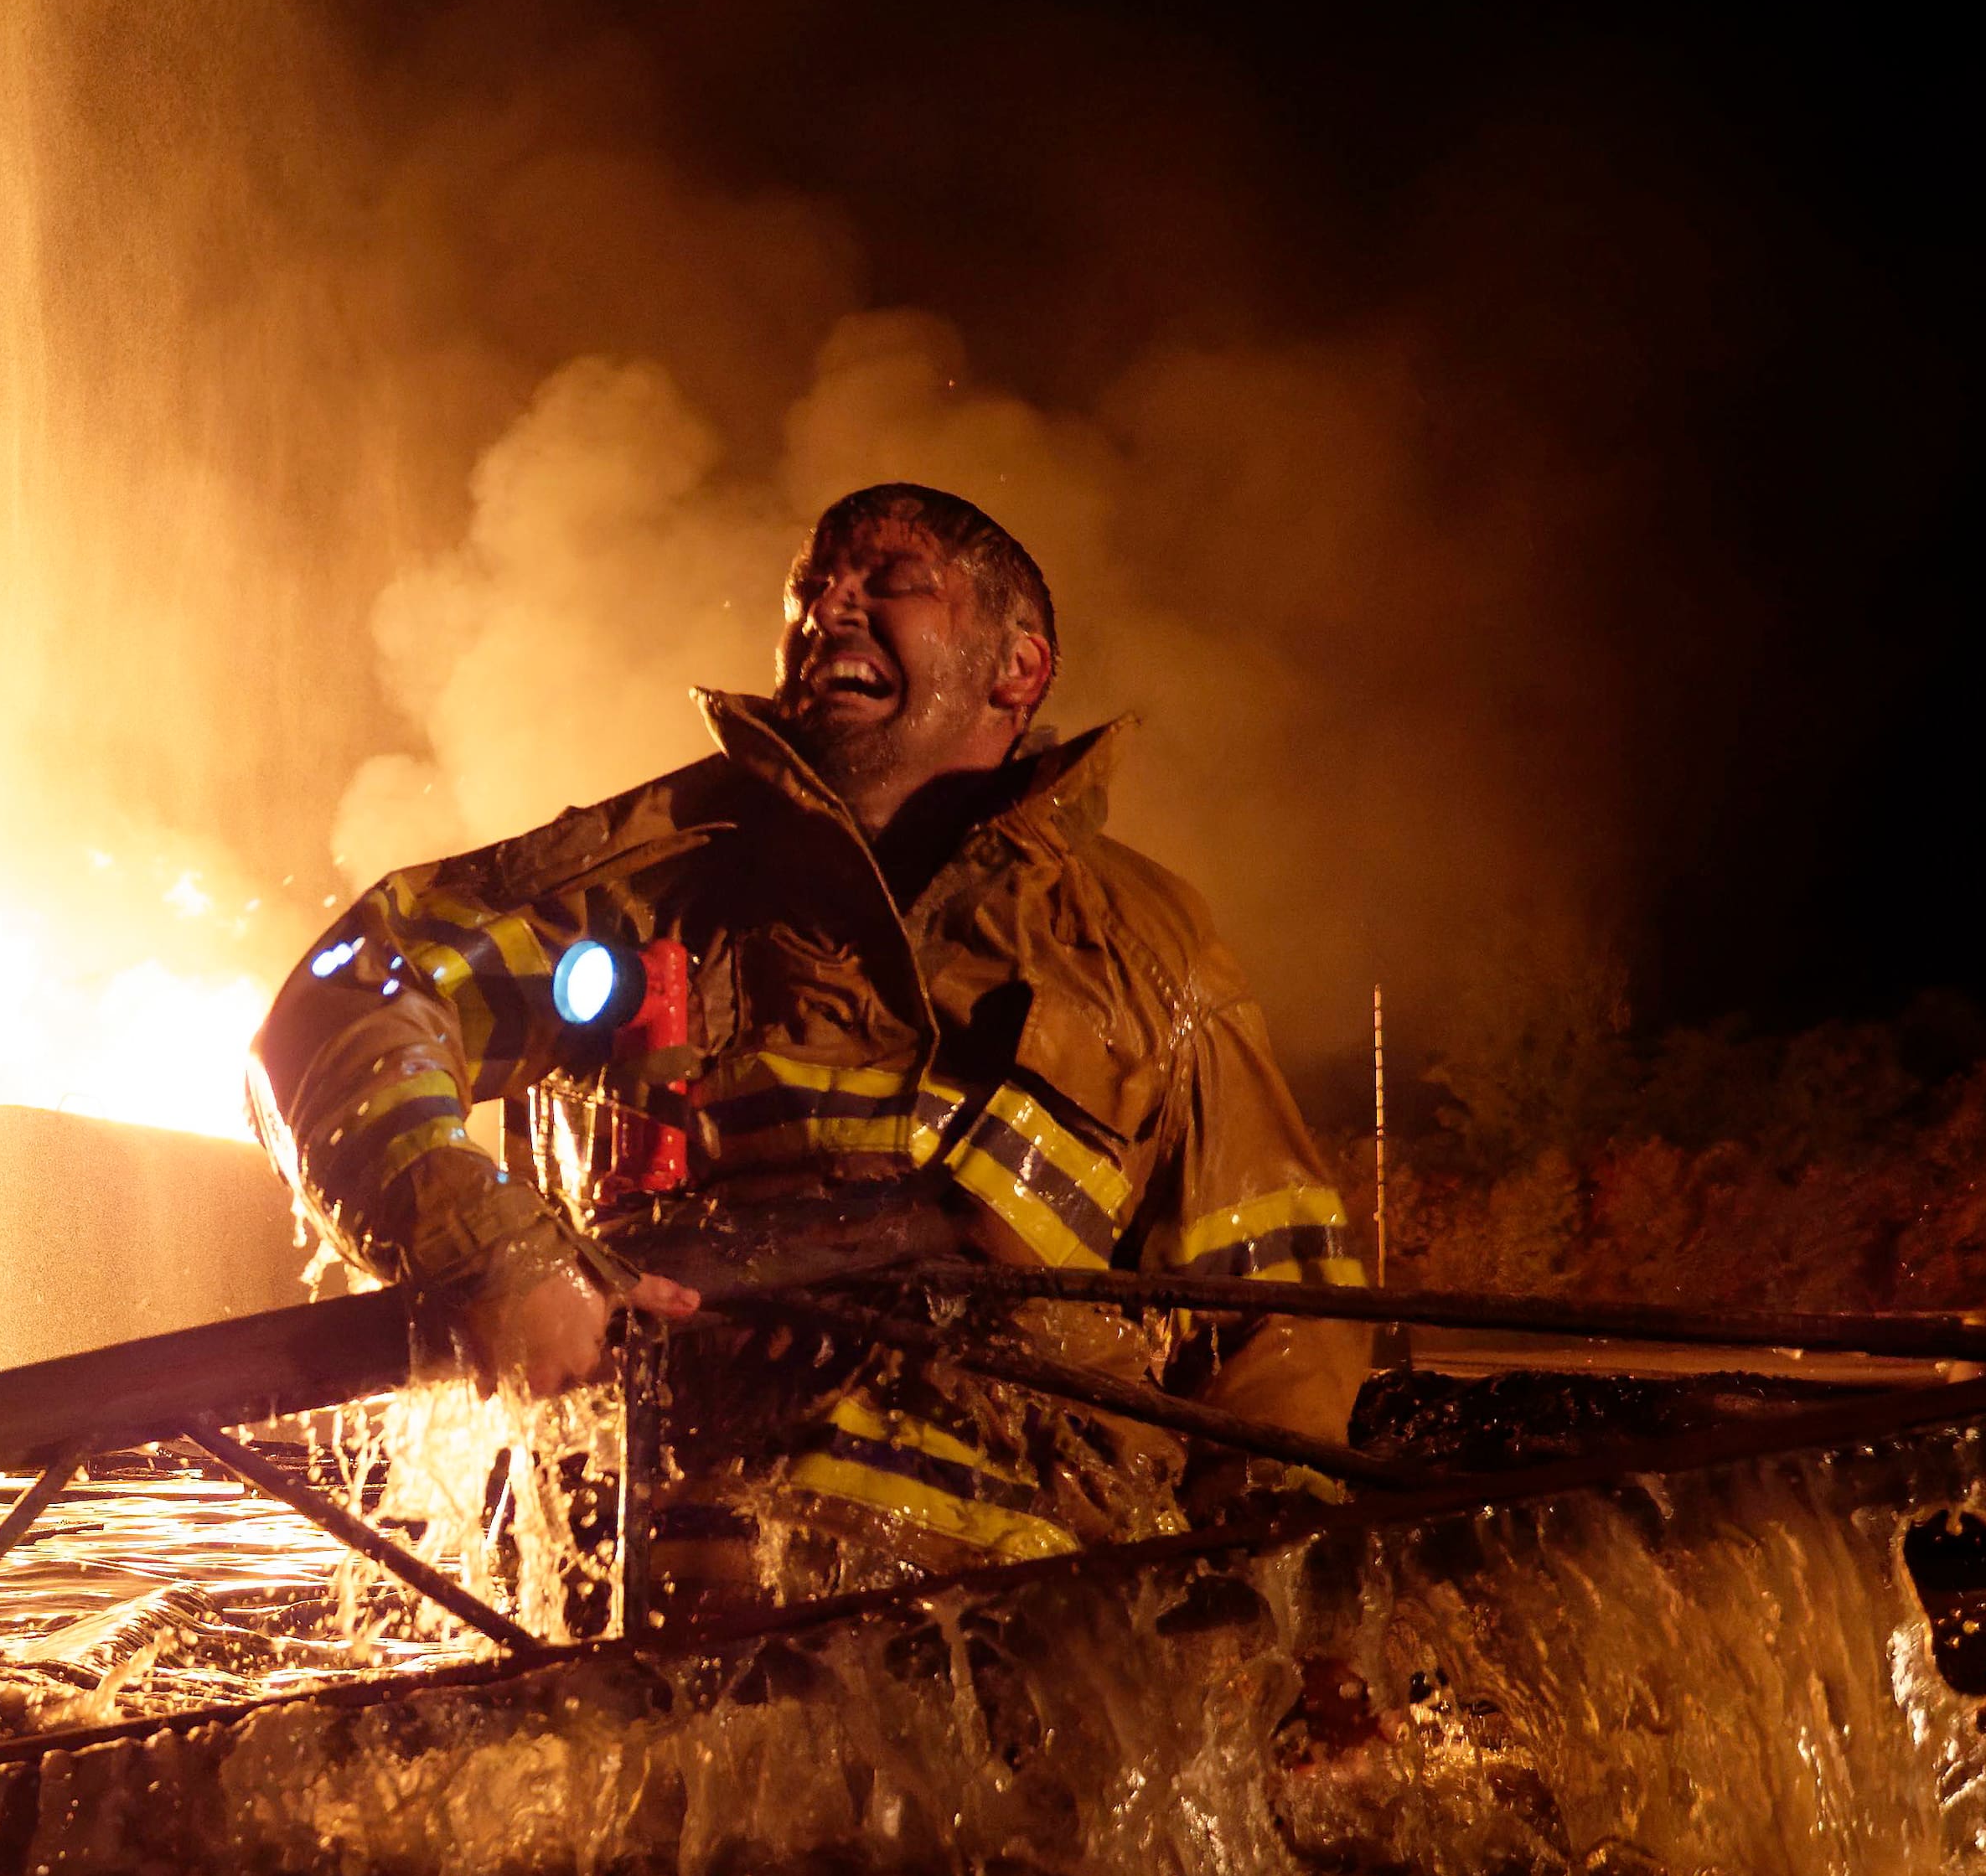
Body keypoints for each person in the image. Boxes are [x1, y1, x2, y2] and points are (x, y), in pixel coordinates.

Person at [254, 480, 1365, 1603]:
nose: (828, 607)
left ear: (1015, 669)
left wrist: (1306, 1634)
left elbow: (1279, 1316)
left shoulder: (1149, 950)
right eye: (810, 588)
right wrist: (492, 1248)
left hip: (1039, 1654)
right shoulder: (650, 887)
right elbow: (351, 1001)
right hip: (690, 1651)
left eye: (889, 583)